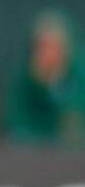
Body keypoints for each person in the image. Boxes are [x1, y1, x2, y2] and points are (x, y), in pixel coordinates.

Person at [6, 11, 85, 145]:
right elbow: (17, 124)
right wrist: (40, 88)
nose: (48, 53)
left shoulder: (80, 74)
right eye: (42, 47)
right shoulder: (26, 81)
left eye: (54, 47)